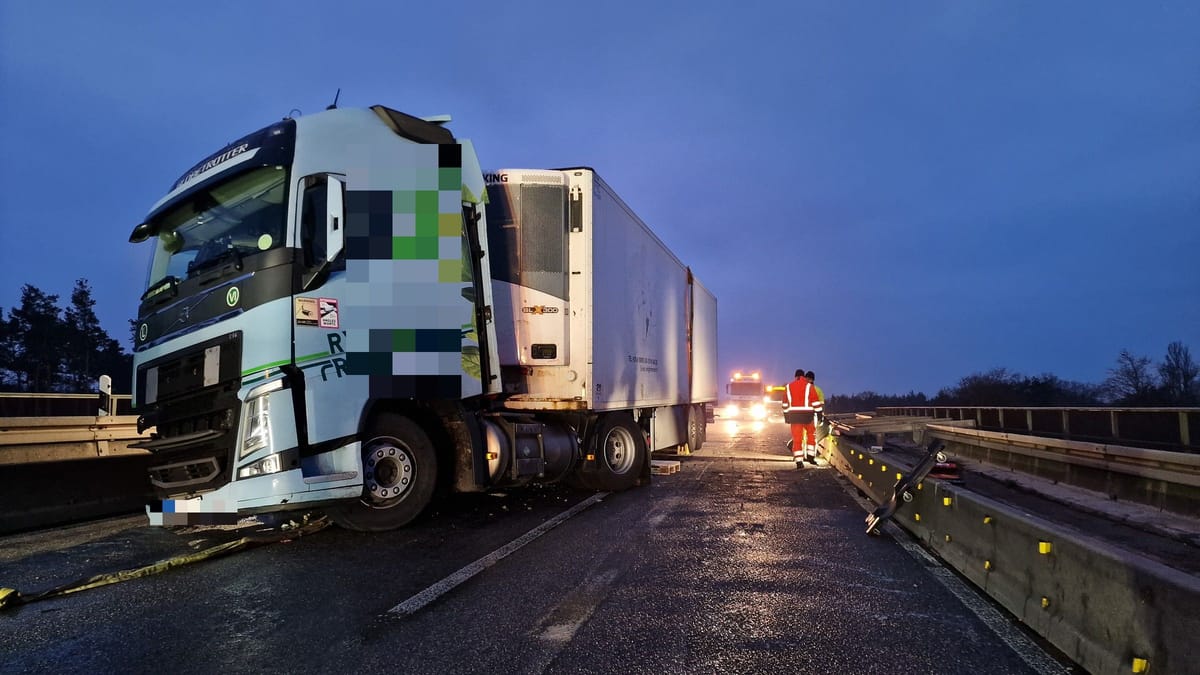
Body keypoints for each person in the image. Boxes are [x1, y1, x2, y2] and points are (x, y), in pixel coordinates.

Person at [784, 368, 823, 468]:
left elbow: (785, 403)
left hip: (794, 417)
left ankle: (799, 462)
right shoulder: (809, 387)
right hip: (808, 416)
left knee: (797, 439)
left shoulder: (788, 387)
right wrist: (819, 414)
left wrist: (786, 416)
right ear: (803, 376)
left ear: (796, 376)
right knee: (811, 436)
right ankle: (810, 456)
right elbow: (815, 402)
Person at [807, 371, 828, 464]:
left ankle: (803, 456)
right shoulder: (818, 390)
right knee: (811, 436)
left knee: (803, 436)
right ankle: (810, 456)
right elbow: (822, 405)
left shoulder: (803, 389)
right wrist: (821, 416)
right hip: (813, 415)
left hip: (804, 415)